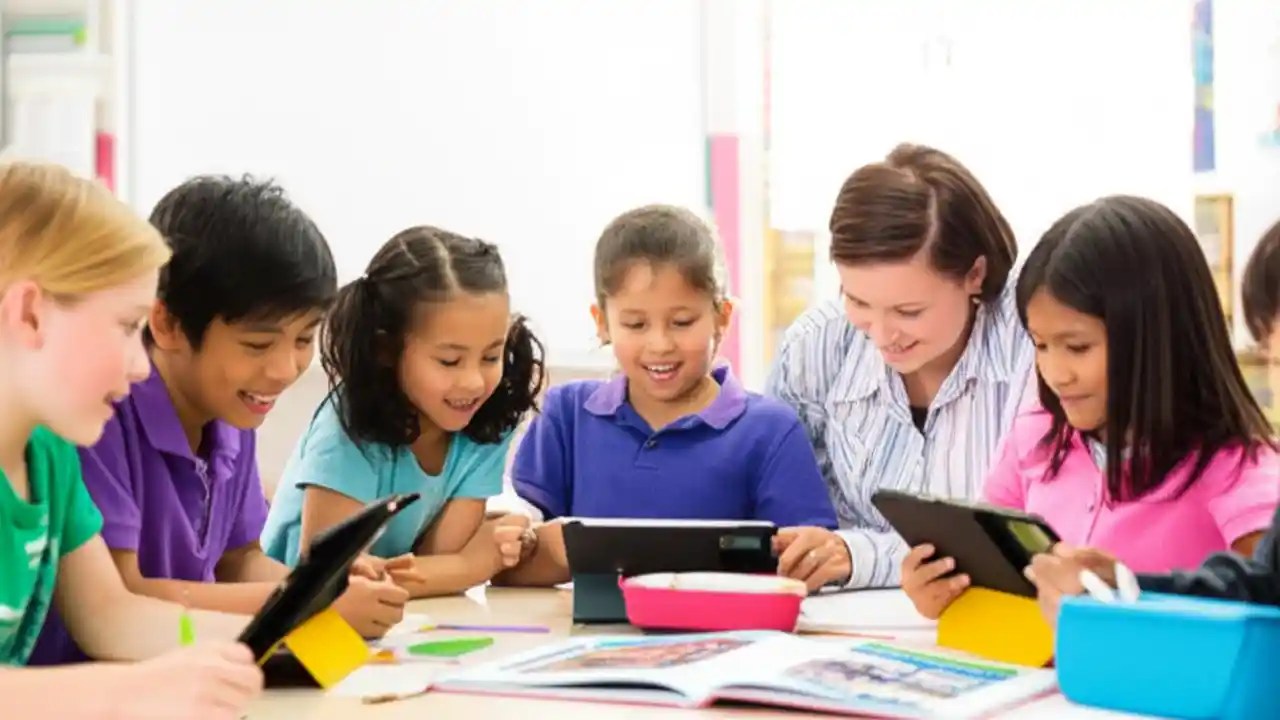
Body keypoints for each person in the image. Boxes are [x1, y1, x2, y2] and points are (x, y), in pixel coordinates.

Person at [31, 175, 406, 666]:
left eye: (303, 340)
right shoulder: (94, 415)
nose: (284, 369)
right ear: (165, 323)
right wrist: (305, 605)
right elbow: (121, 599)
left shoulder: (232, 410)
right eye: (257, 345)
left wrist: (318, 589)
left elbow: (240, 560)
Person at [0, 162, 261, 718]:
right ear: (29, 314)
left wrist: (268, 641)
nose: (142, 366)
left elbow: (111, 616)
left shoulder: (49, 457)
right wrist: (134, 692)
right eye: (125, 326)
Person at [494, 204, 838, 590]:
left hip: (729, 639)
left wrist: (809, 557)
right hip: (582, 639)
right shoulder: (566, 415)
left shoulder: (770, 431)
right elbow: (507, 566)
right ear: (602, 323)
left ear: (722, 318)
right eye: (635, 324)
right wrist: (539, 547)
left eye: (682, 322)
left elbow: (809, 567)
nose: (659, 344)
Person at [766, 144, 1035, 589]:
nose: (882, 333)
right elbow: (780, 513)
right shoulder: (816, 348)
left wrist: (863, 554)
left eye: (908, 311)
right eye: (857, 301)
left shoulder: (1031, 344)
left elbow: (1018, 538)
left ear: (975, 274)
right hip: (839, 627)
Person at [260, 226, 544, 597]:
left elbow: (437, 559)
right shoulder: (350, 427)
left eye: (491, 356)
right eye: (450, 360)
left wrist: (465, 562)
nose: (475, 381)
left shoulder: (485, 418)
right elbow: (332, 576)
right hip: (295, 617)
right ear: (386, 349)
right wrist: (477, 562)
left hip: (398, 615)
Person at [1027, 216, 1280, 622]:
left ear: (1157, 340)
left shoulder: (1242, 473)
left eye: (1077, 346)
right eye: (1274, 363)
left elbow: (1259, 625)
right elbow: (1263, 588)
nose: (1056, 373)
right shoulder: (1042, 434)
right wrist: (1127, 591)